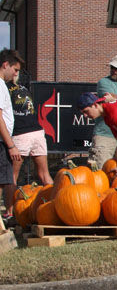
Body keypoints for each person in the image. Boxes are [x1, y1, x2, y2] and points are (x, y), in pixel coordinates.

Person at [5, 53, 52, 189]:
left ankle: (10, 210)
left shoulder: (5, 88)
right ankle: (55, 203)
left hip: (21, 133)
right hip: (37, 131)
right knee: (44, 175)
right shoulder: (24, 89)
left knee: (12, 176)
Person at [0, 50, 24, 220]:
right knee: (5, 180)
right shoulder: (0, 86)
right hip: (2, 142)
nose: (16, 74)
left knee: (5, 179)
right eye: (15, 69)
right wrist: (11, 145)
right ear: (5, 65)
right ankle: (8, 216)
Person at [90, 55, 117, 166]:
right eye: (112, 68)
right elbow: (110, 99)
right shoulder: (104, 82)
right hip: (105, 135)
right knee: (100, 173)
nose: (114, 71)